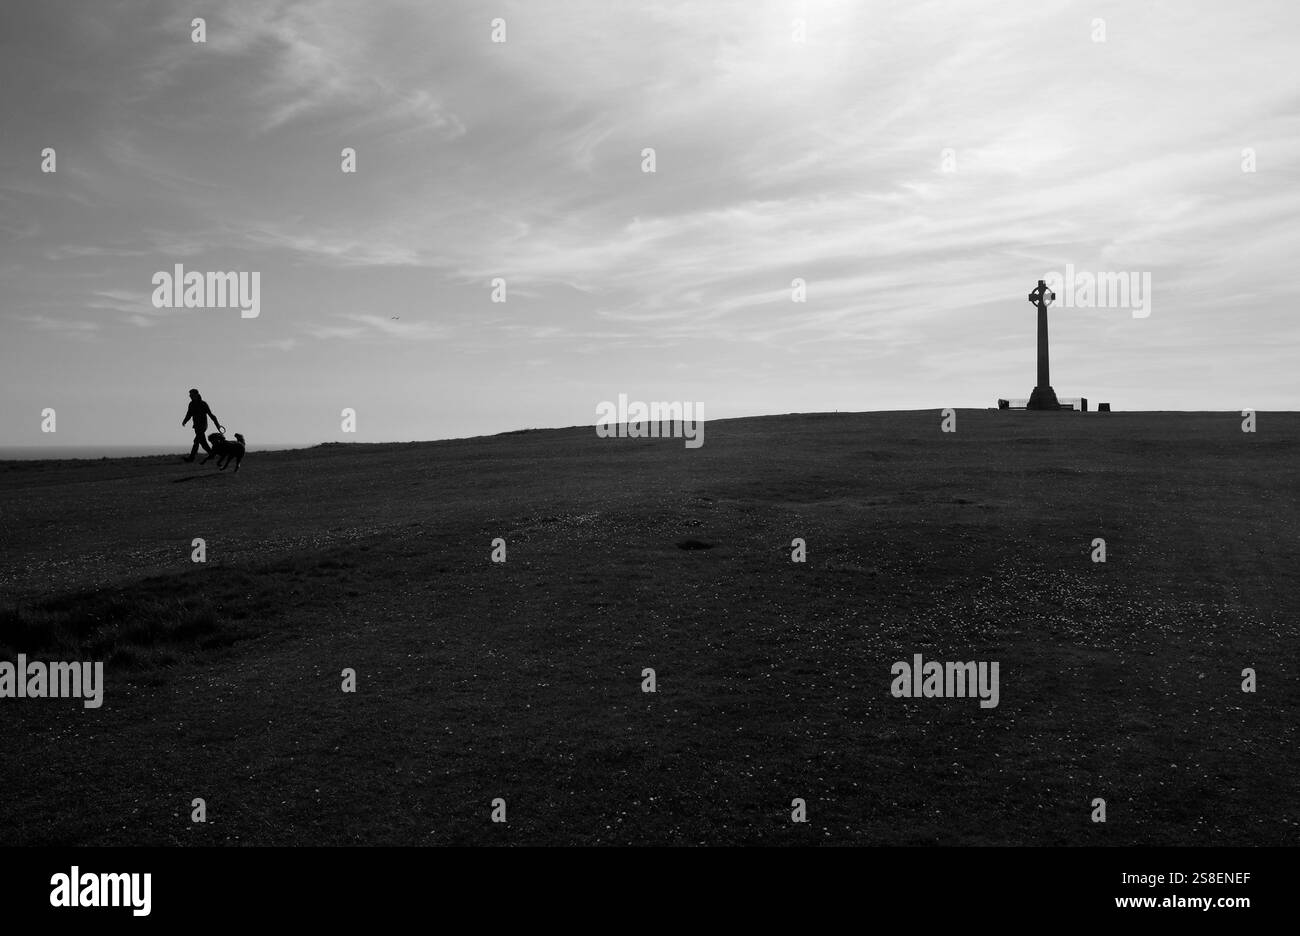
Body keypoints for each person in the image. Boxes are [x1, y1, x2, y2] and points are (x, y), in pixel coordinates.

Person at [181, 388, 224, 462]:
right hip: (196, 426)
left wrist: (218, 425)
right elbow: (189, 414)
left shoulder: (203, 404)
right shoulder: (191, 404)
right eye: (190, 395)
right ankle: (213, 454)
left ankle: (191, 458)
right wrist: (185, 421)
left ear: (196, 395)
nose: (190, 396)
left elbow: (211, 415)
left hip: (203, 426)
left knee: (196, 441)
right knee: (202, 442)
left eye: (191, 395)